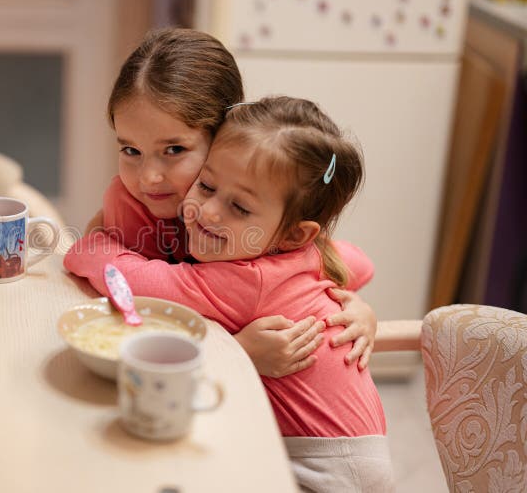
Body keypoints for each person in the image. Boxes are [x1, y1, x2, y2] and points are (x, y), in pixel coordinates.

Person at [65, 96, 394, 491]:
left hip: (324, 467)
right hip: (355, 452)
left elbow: (136, 282)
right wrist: (359, 304)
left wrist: (92, 245)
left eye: (239, 207)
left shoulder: (246, 280)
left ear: (293, 234)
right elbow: (361, 265)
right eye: (206, 185)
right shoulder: (304, 253)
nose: (209, 211)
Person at [87, 28, 377, 376]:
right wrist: (235, 350)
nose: (148, 177)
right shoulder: (128, 212)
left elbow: (348, 265)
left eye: (174, 150)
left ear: (225, 138)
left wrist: (357, 308)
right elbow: (113, 322)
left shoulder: (253, 208)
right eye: (130, 150)